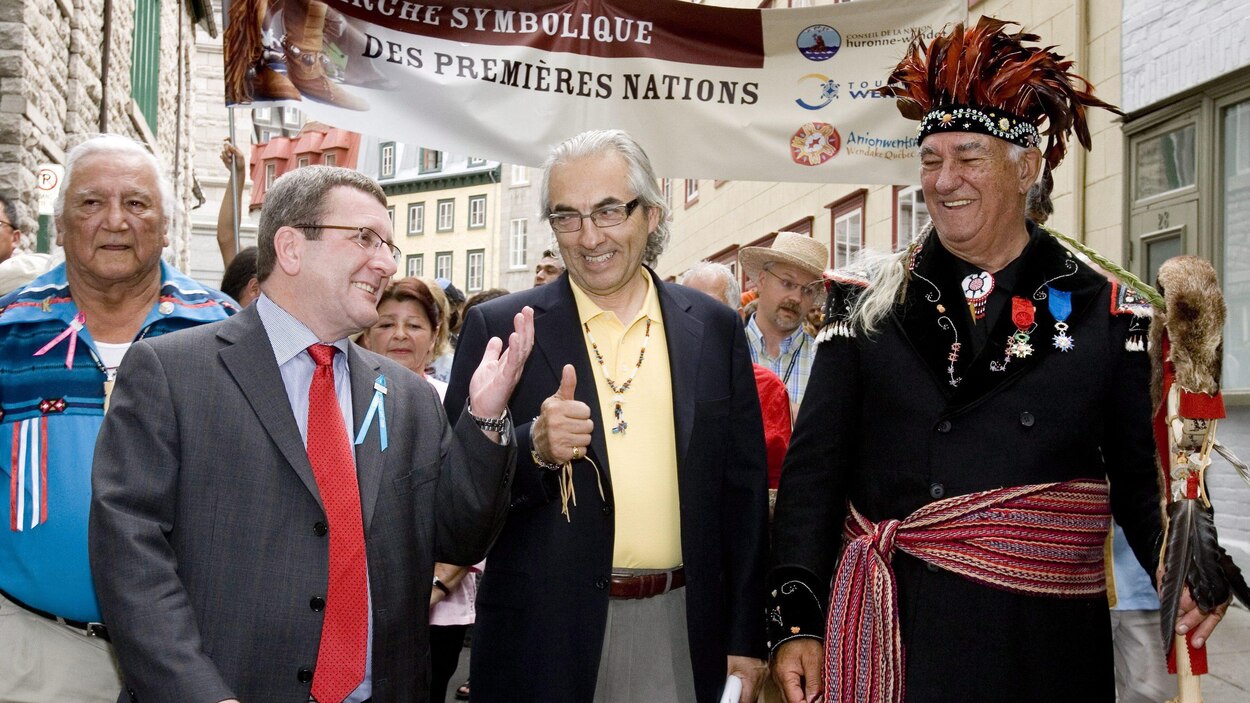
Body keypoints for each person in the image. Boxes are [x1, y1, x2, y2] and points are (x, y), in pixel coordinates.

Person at [767, 18, 1224, 703]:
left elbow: (1140, 477)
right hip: (897, 643)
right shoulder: (860, 306)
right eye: (930, 159)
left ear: (1027, 165)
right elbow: (811, 481)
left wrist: (1187, 563)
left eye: (969, 156)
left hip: (1041, 651)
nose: (944, 180)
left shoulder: (1108, 313)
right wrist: (796, 618)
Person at [88, 164, 534, 703]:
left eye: (390, 245)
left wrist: (485, 419)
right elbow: (130, 555)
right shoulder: (172, 372)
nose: (387, 263)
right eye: (366, 239)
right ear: (292, 248)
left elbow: (460, 537)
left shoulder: (409, 396)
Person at [447, 129, 769, 703]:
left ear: (650, 214)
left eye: (609, 211)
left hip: (682, 629)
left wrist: (747, 636)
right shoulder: (501, 331)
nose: (589, 236)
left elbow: (742, 497)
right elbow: (453, 515)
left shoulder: (714, 329)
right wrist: (528, 446)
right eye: (567, 217)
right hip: (542, 642)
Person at [0, 134, 237, 702]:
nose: (114, 221)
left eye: (136, 204)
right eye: (90, 203)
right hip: (34, 655)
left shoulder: (224, 333)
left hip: (193, 656)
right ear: (58, 226)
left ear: (164, 224)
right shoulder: (8, 331)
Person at [1028, 168, 1175, 703]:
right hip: (1050, 569)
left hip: (1131, 564)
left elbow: (1147, 430)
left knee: (1145, 688)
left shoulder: (1093, 290)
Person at [359, 277, 476, 702]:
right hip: (353, 605)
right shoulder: (339, 399)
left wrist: (437, 585)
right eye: (386, 324)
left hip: (436, 608)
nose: (400, 335)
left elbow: (472, 506)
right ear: (365, 333)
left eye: (414, 325)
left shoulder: (456, 404)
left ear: (436, 336)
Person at [680, 261, 792, 510]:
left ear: (737, 318)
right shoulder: (660, 381)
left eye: (709, 309)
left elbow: (776, 486)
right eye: (686, 311)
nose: (697, 322)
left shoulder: (766, 389)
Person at [738, 232, 828, 413]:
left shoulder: (824, 364)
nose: (796, 298)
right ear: (762, 280)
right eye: (787, 283)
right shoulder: (726, 352)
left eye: (808, 290)